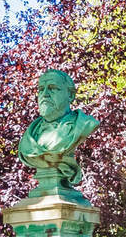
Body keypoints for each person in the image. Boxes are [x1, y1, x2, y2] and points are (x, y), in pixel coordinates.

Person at [18, 68, 98, 199]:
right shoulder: (30, 136)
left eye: (53, 88)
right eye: (40, 89)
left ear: (70, 95)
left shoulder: (84, 125)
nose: (45, 94)